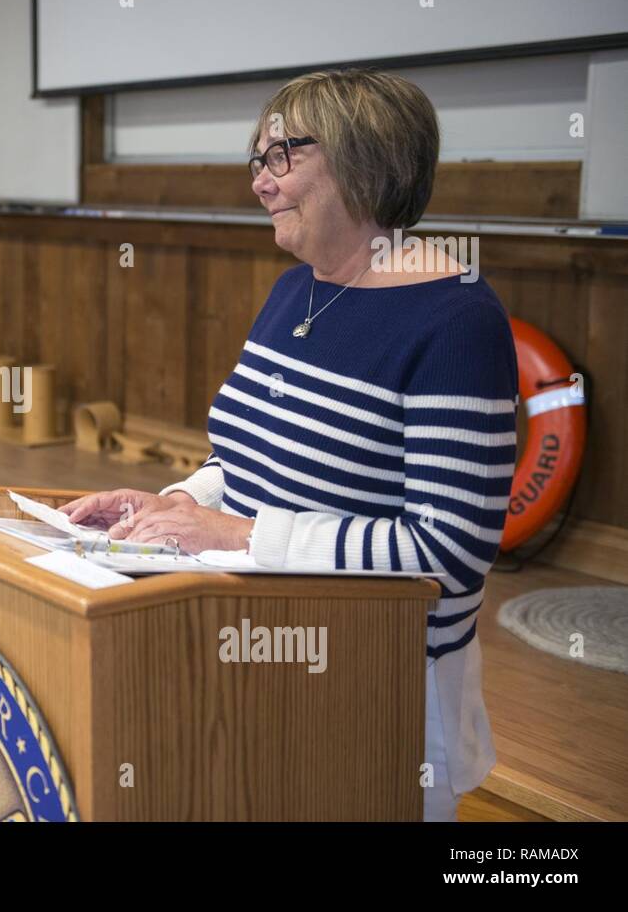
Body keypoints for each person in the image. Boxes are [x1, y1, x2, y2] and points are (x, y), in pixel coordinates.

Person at [59, 69, 518, 822]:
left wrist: (238, 532)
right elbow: (242, 461)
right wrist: (176, 503)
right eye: (257, 161)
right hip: (252, 649)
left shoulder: (456, 321)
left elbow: (448, 553)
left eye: (282, 158)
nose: (261, 184)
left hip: (376, 692)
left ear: (366, 159)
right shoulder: (293, 290)